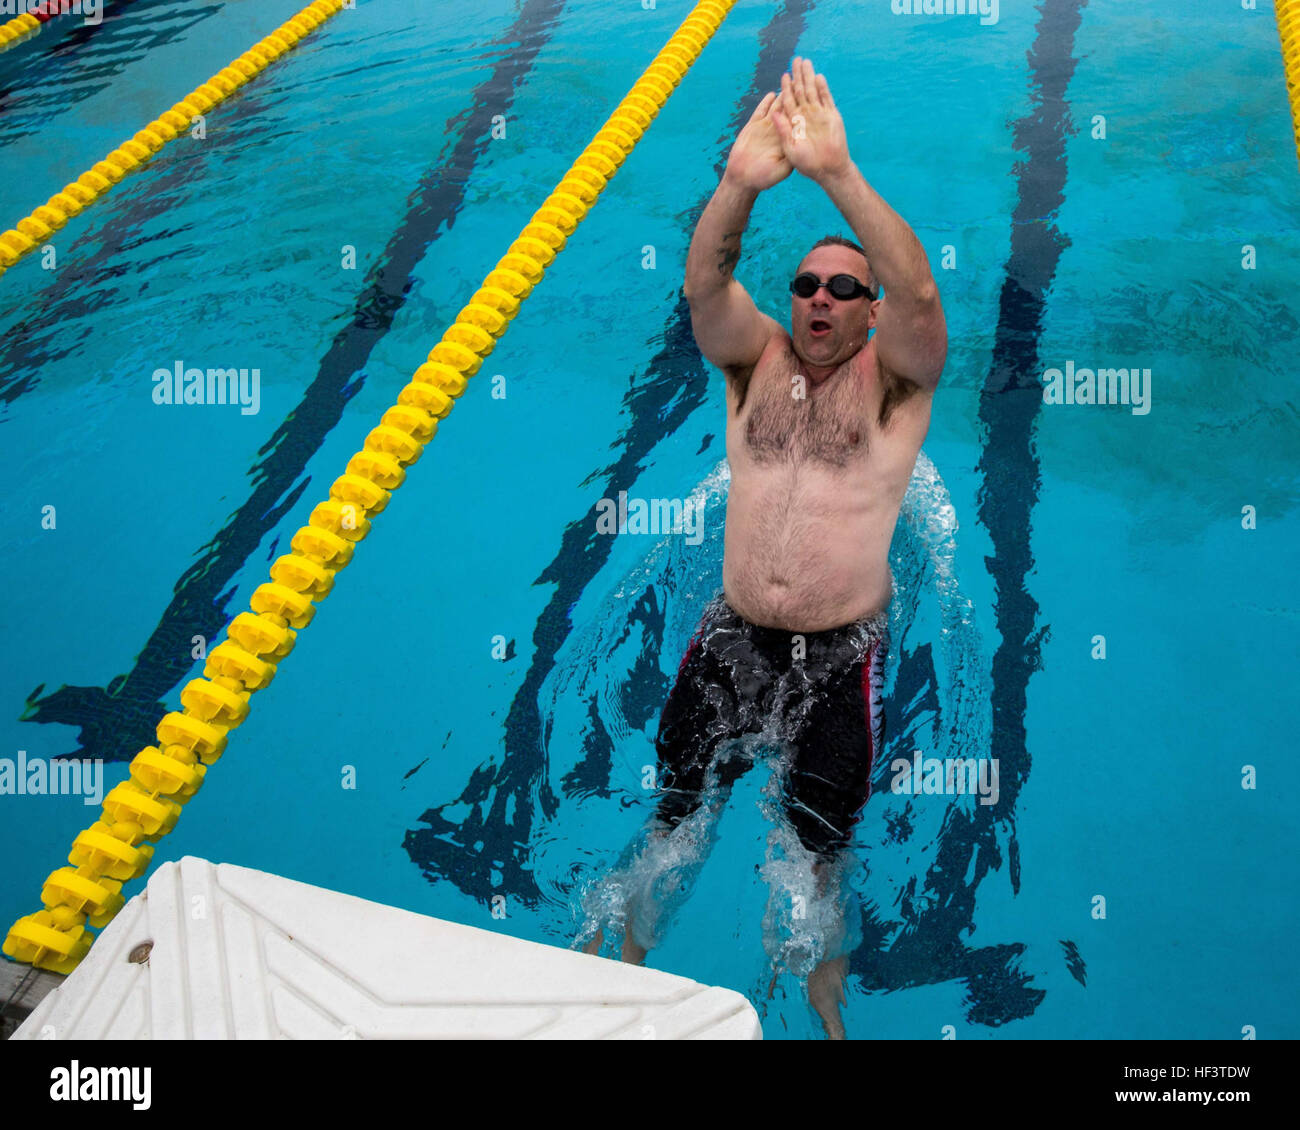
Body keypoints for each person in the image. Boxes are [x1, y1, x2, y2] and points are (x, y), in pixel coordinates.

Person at [583, 57, 947, 1039]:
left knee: (815, 858)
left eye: (843, 288)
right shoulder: (753, 364)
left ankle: (821, 1010)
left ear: (866, 308)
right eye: (807, 285)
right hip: (729, 640)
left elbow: (918, 293)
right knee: (670, 825)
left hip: (838, 661)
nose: (821, 298)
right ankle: (612, 979)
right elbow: (703, 278)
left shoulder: (896, 383)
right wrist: (740, 183)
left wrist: (836, 174)